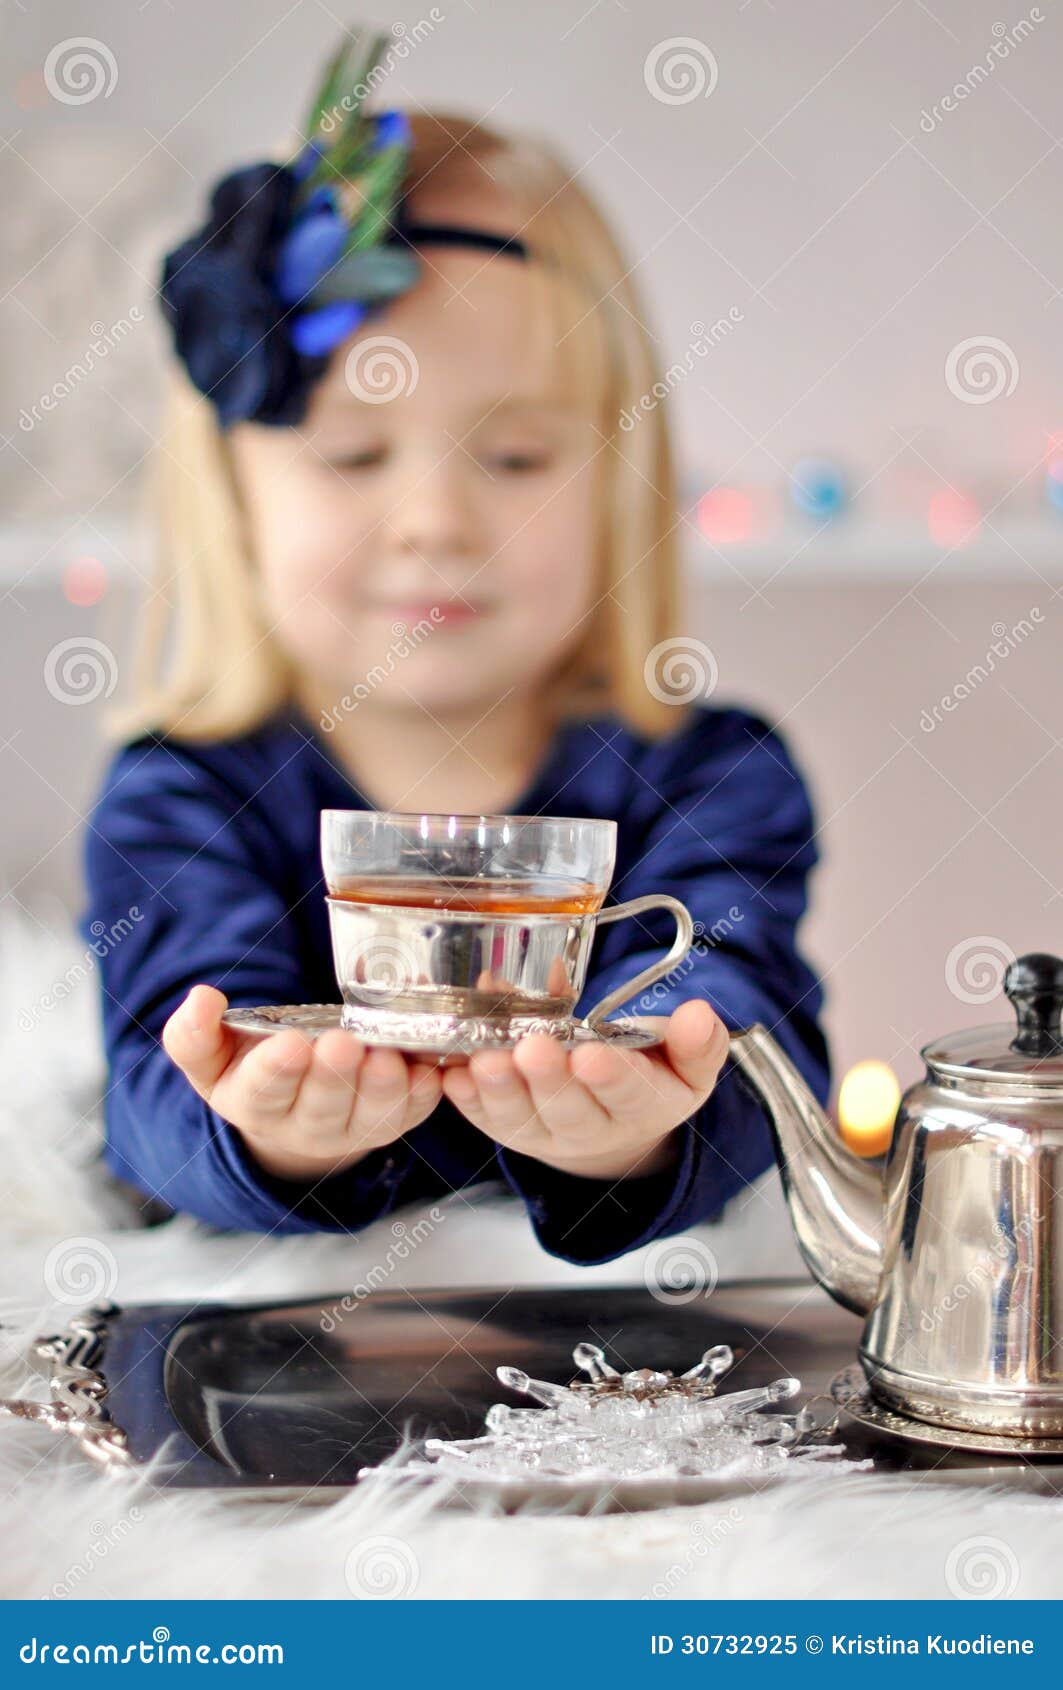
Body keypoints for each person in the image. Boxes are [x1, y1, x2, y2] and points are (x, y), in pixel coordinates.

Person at [81, 32, 829, 1264]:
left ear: (614, 484)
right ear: (233, 500)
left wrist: (643, 1130)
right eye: (353, 458)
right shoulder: (183, 795)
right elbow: (152, 1081)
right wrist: (268, 1127)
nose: (435, 524)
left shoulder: (710, 778)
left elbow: (757, 1041)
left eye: (518, 459)